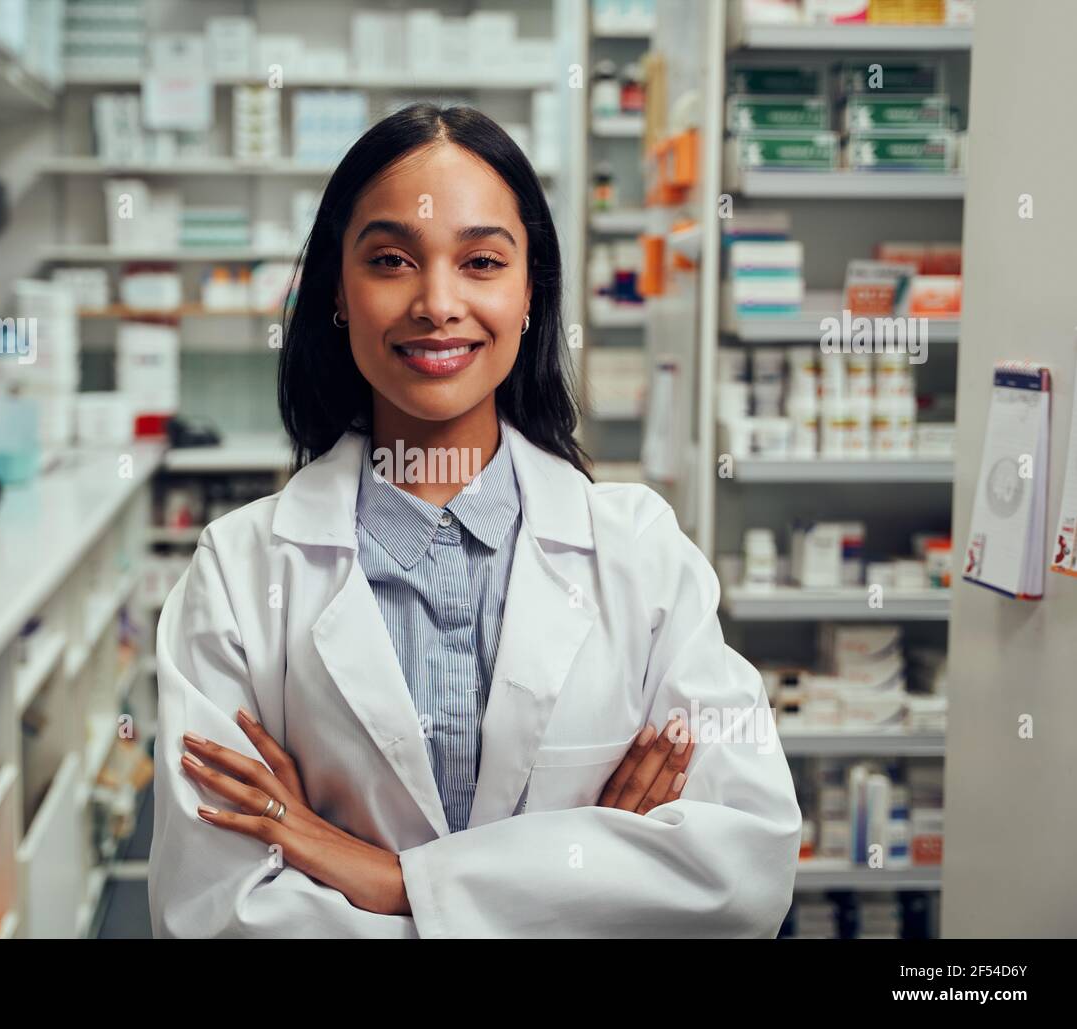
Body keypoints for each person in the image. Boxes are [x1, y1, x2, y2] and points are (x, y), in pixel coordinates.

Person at [148, 103, 801, 938]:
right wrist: (585, 869)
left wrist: (391, 880)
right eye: (390, 260)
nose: (437, 302)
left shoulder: (639, 553)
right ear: (338, 294)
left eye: (482, 261)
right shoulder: (240, 574)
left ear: (531, 292)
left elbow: (745, 865)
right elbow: (211, 914)